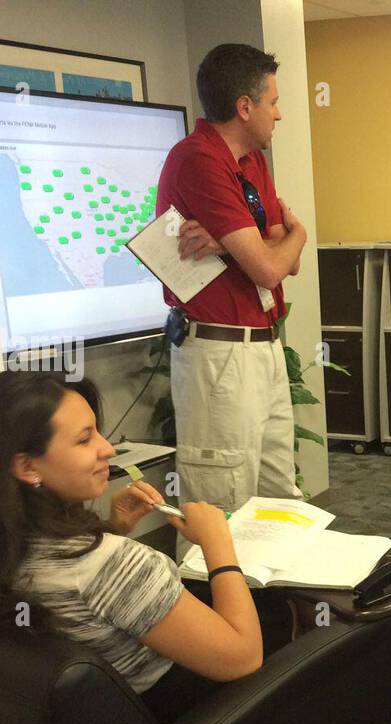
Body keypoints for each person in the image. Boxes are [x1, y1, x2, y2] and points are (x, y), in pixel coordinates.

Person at [0, 373, 391, 723]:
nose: (108, 448)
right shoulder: (109, 568)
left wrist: (114, 528)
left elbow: (76, 598)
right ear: (26, 466)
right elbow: (240, 658)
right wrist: (220, 545)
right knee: (319, 613)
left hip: (113, 698)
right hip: (179, 706)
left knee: (279, 604)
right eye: (84, 440)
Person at [155, 44, 306, 515]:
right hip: (219, 355)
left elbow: (287, 260)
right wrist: (291, 235)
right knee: (222, 506)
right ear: (245, 106)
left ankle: (278, 593)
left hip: (264, 345)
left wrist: (236, 242)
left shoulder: (254, 160)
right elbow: (267, 265)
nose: (278, 115)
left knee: (280, 494)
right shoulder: (197, 158)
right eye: (273, 102)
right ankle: (218, 591)